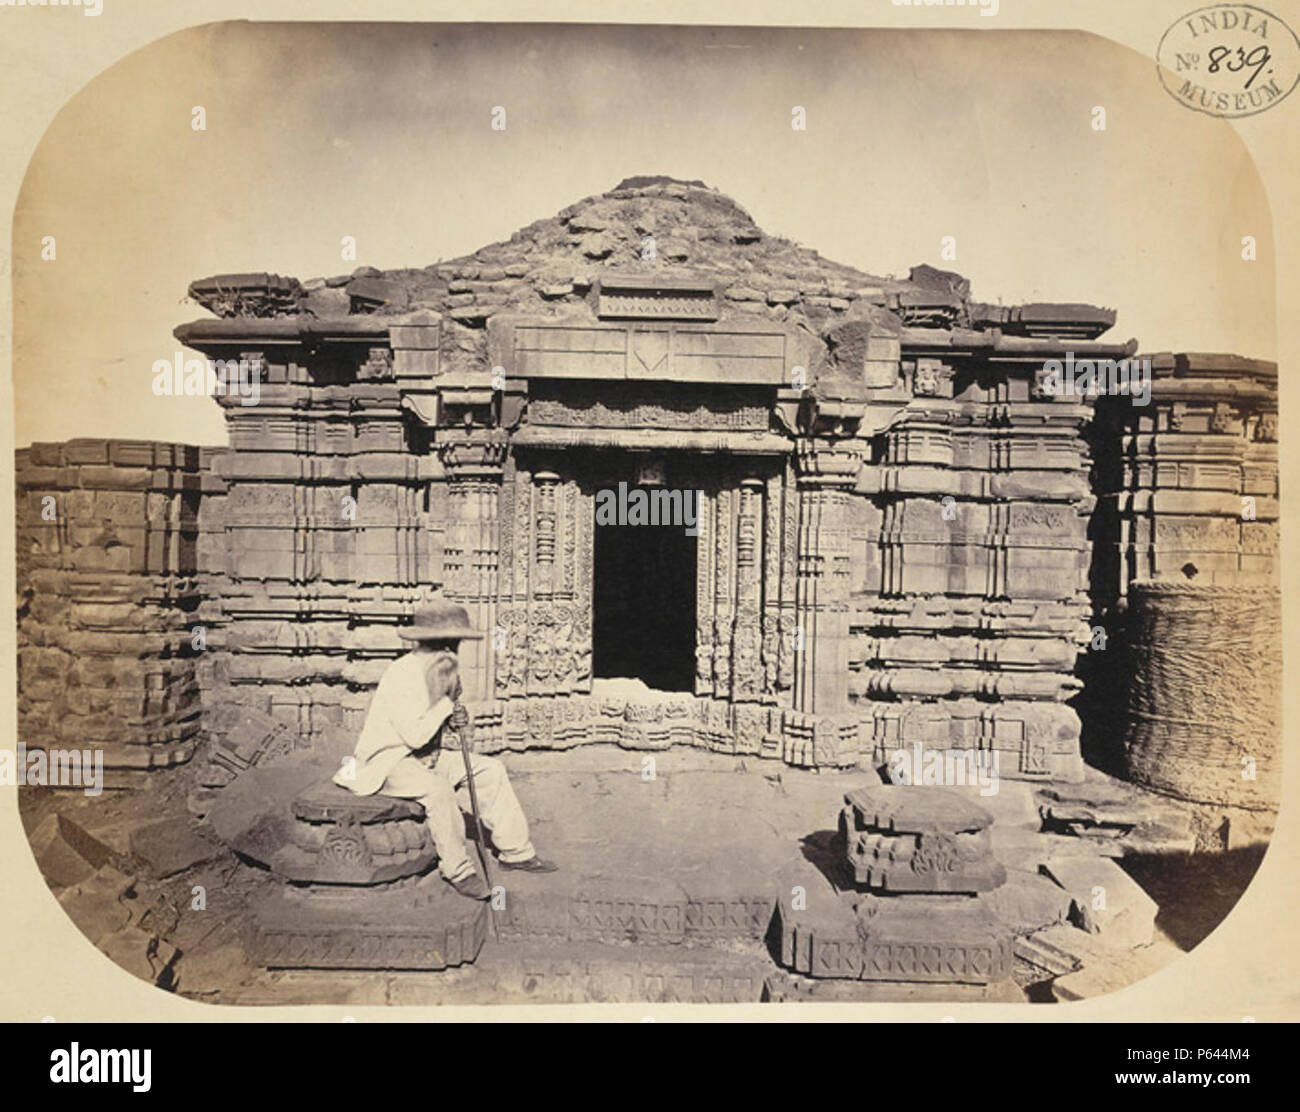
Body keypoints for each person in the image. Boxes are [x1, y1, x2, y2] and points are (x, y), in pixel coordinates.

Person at [334, 596, 557, 899]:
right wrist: (446, 707)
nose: (453, 651)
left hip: (425, 757)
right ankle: (458, 871)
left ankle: (516, 852)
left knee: (490, 770)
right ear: (431, 643)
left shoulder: (440, 672)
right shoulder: (403, 673)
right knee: (438, 790)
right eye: (448, 643)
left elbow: (438, 726)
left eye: (456, 644)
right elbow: (414, 736)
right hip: (386, 761)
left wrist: (454, 716)